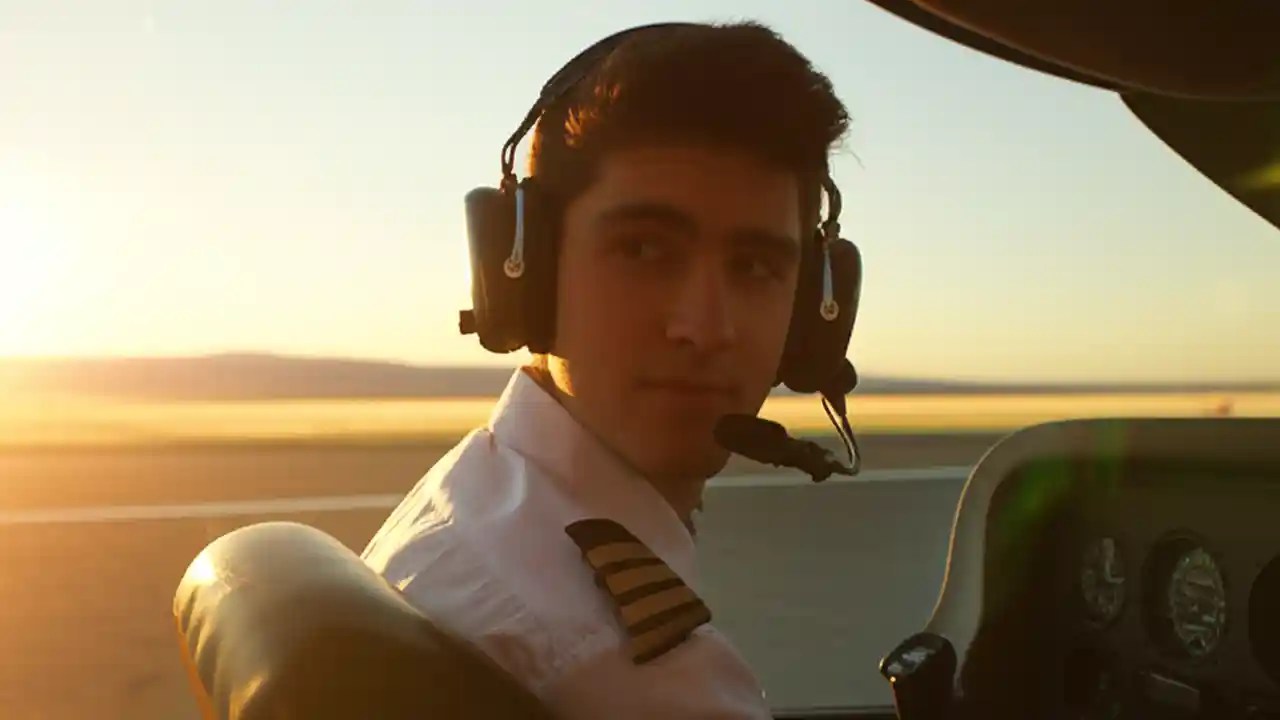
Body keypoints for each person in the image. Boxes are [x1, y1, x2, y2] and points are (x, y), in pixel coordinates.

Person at [362, 20, 851, 717]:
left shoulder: (472, 497)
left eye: (754, 266)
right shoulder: (612, 661)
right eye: (645, 251)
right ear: (527, 277)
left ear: (809, 312)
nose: (705, 329)